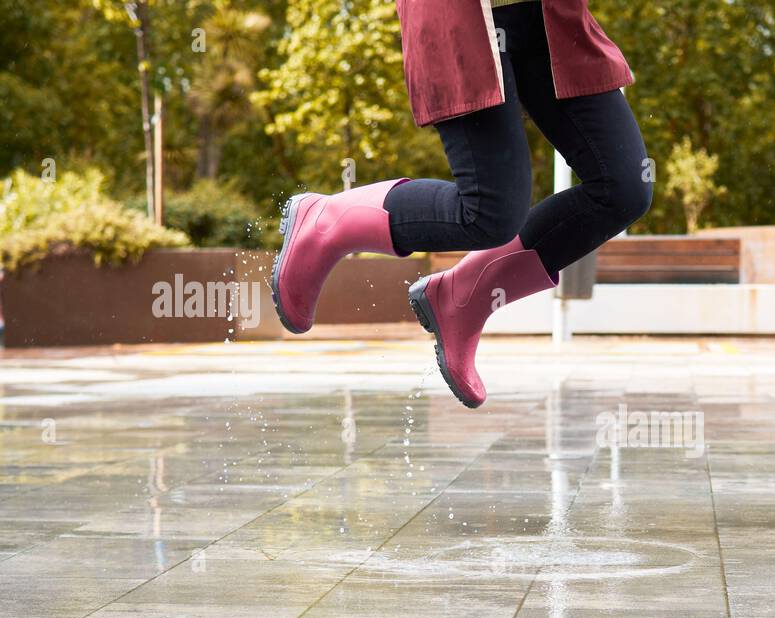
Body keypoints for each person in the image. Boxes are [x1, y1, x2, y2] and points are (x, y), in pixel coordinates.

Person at [270, 0, 652, 408]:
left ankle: (463, 297)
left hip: (551, 18)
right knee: (490, 212)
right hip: (465, 15)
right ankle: (327, 220)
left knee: (624, 187)